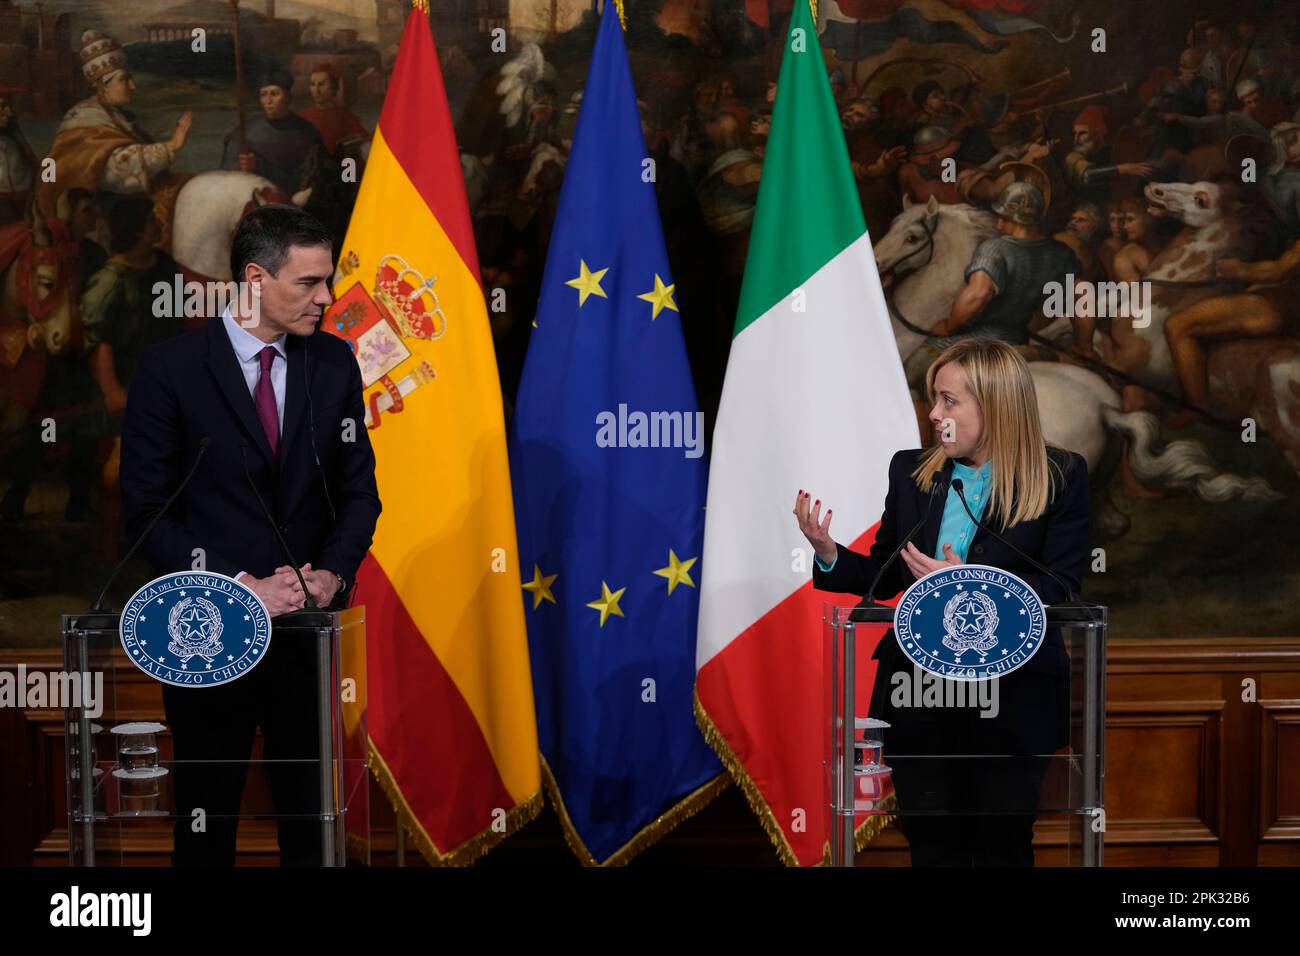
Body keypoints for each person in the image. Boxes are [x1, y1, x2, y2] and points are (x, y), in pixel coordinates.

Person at [119, 205, 381, 866]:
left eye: (327, 281)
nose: (326, 298)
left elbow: (360, 496)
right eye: (309, 283)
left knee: (309, 825)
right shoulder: (170, 369)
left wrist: (331, 574)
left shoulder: (333, 365)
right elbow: (147, 511)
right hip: (206, 632)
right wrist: (238, 589)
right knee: (206, 824)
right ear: (256, 277)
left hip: (305, 636)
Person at [794, 338, 1090, 866]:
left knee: (1001, 847)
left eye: (949, 401)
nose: (933, 414)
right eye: (934, 398)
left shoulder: (1061, 475)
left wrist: (975, 583)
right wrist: (829, 553)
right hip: (920, 689)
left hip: (1013, 692)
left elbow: (1062, 585)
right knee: (933, 848)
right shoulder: (914, 472)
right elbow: (884, 574)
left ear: (995, 405)